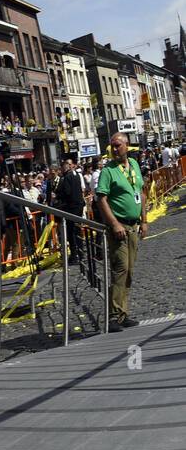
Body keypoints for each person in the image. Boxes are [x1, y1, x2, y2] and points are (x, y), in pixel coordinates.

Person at [95, 133, 146, 330]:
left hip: (134, 225)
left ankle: (123, 314)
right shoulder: (108, 170)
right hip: (120, 226)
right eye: (112, 146)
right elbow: (101, 199)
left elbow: (141, 192)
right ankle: (114, 316)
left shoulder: (133, 164)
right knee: (120, 269)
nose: (115, 149)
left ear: (127, 145)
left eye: (118, 146)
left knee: (129, 271)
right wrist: (114, 223)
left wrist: (145, 220)